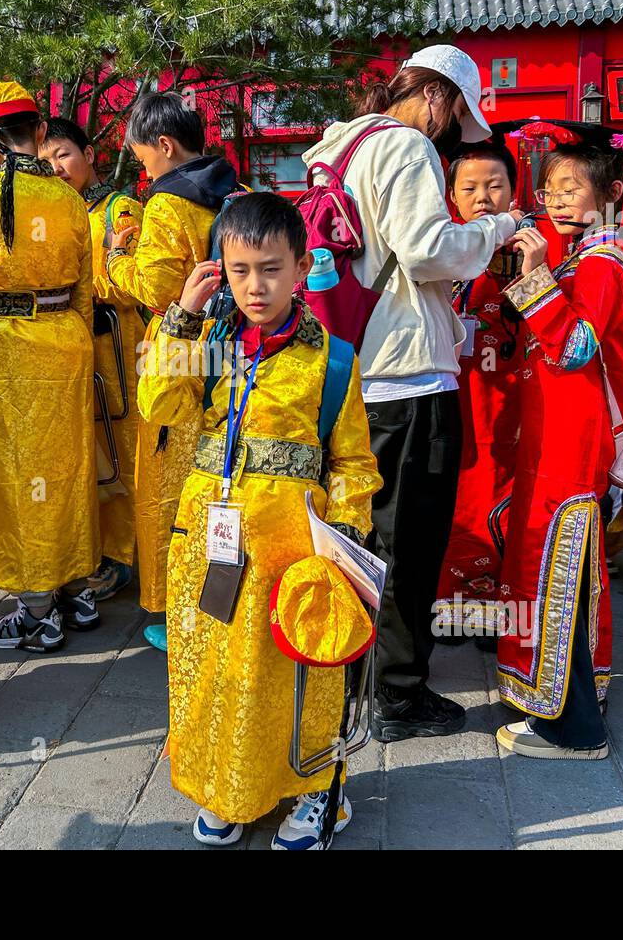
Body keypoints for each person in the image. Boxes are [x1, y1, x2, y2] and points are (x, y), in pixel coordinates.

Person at [138, 192, 380, 849]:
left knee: (299, 673)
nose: (255, 285)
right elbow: (157, 403)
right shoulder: (207, 341)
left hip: (290, 551)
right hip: (209, 540)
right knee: (214, 669)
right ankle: (228, 785)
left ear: (302, 268)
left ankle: (315, 790)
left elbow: (354, 460)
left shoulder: (331, 359)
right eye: (240, 269)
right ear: (221, 266)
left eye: (271, 268)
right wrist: (182, 317)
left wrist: (344, 534)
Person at [301, 45, 520, 741]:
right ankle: (399, 695)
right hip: (411, 379)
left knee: (363, 530)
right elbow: (427, 251)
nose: (455, 137)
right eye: (458, 119)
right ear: (438, 98)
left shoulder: (342, 145)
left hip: (357, 368)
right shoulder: (407, 147)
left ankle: (356, 672)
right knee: (409, 542)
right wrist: (497, 228)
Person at [494, 132, 623, 761]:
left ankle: (570, 724)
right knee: (571, 565)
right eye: (551, 188)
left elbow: (577, 346)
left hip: (572, 439)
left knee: (553, 562)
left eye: (572, 188)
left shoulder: (603, 265)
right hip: (560, 435)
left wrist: (533, 280)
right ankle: (581, 691)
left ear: (612, 194)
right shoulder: (583, 260)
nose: (556, 200)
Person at [0, 81, 100, 651]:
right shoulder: (67, 198)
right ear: (40, 132)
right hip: (64, 336)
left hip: (10, 342)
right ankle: (75, 589)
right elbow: (84, 281)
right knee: (66, 468)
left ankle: (37, 608)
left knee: (19, 473)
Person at [106, 91, 241, 641]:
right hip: (232, 346)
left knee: (167, 472)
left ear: (164, 145)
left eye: (142, 160)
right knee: (221, 468)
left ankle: (175, 599)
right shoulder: (236, 188)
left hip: (183, 346)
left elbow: (159, 287)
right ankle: (224, 586)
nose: (144, 171)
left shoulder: (166, 204)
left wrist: (118, 257)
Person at [43, 116, 144, 601]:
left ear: (88, 154)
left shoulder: (118, 209)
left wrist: (85, 280)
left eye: (63, 154)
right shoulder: (53, 214)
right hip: (71, 348)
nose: (56, 167)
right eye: (45, 161)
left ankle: (121, 555)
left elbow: (126, 278)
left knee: (120, 449)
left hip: (115, 347)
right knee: (88, 453)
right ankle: (93, 548)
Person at [433, 141, 522, 646]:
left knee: (499, 497)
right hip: (453, 393)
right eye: (469, 187)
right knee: (453, 498)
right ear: (451, 195)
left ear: (514, 189)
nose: (482, 197)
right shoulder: (441, 249)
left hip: (506, 400)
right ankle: (451, 600)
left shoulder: (524, 248)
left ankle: (495, 605)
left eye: (495, 186)